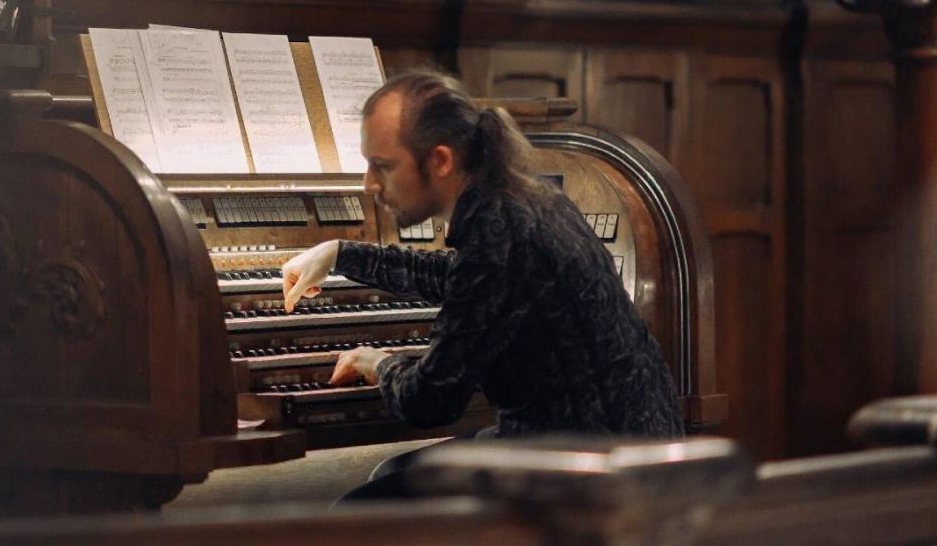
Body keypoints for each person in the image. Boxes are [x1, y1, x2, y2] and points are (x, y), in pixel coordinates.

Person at [281, 71, 682, 498]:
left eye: (383, 166)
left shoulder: (500, 234)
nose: (369, 184)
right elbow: (464, 281)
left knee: (361, 513)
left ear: (440, 161)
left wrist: (378, 363)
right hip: (615, 439)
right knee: (394, 473)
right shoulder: (521, 198)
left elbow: (429, 400)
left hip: (591, 471)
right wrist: (341, 254)